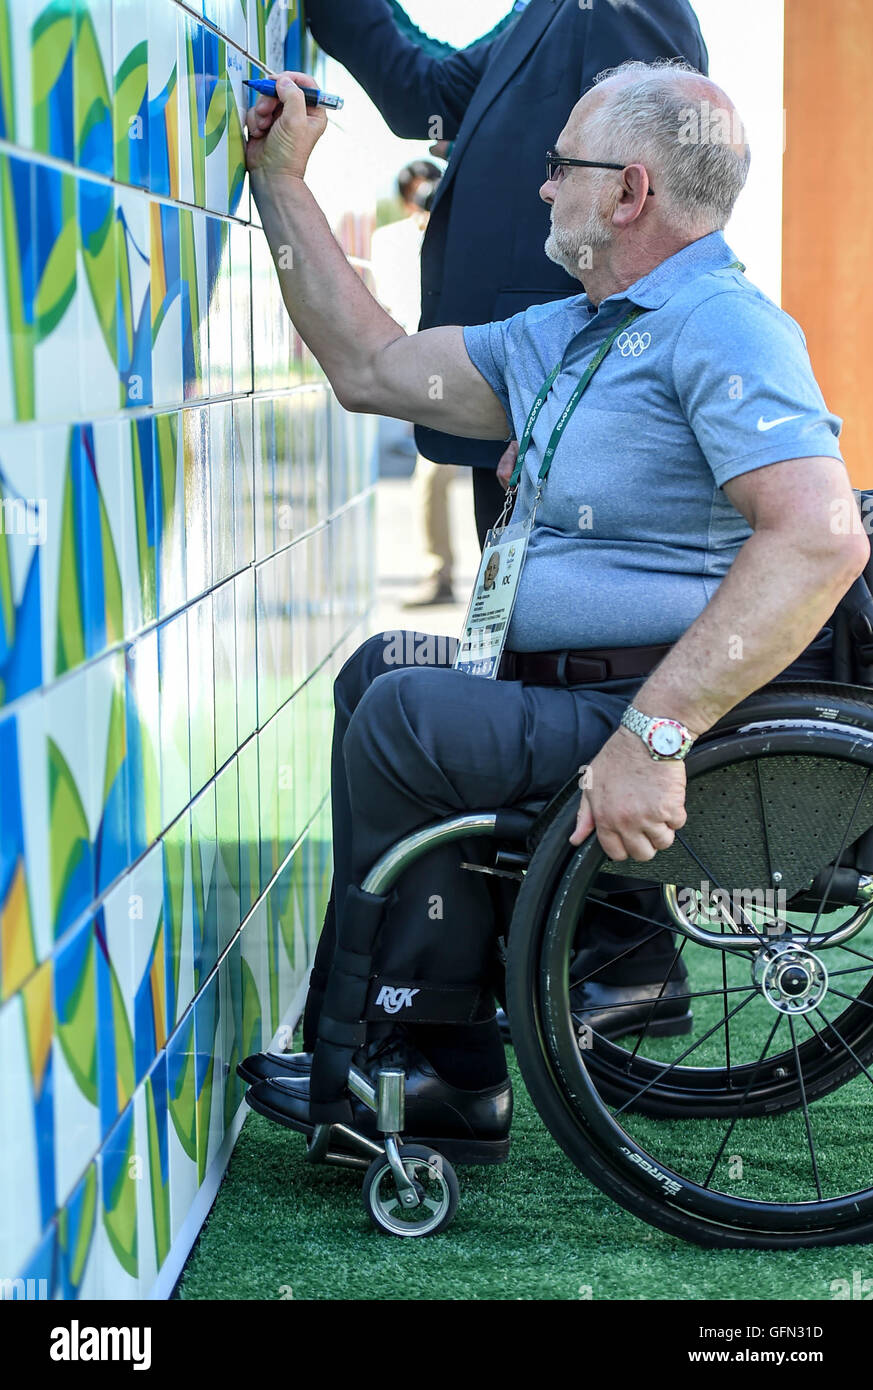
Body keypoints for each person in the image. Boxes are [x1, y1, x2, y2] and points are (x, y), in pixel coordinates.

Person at [237, 61, 866, 1161]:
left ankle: (440, 1070)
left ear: (628, 193)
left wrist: (655, 735)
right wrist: (279, 181)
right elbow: (374, 367)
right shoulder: (575, 333)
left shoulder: (721, 327)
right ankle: (421, 1034)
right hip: (573, 686)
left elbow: (818, 537)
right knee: (381, 669)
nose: (539, 189)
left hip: (668, 712)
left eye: (556, 168)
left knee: (412, 718)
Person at [301, 0, 709, 548]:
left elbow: (651, 219)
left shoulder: (625, 8)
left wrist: (573, 408)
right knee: (511, 625)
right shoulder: (546, 9)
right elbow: (429, 96)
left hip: (555, 412)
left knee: (560, 625)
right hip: (512, 395)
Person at [370, 160, 461, 607]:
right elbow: (393, 306)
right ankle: (440, 574)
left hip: (474, 362)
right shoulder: (392, 242)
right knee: (431, 477)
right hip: (428, 373)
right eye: (420, 195)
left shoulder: (467, 234)